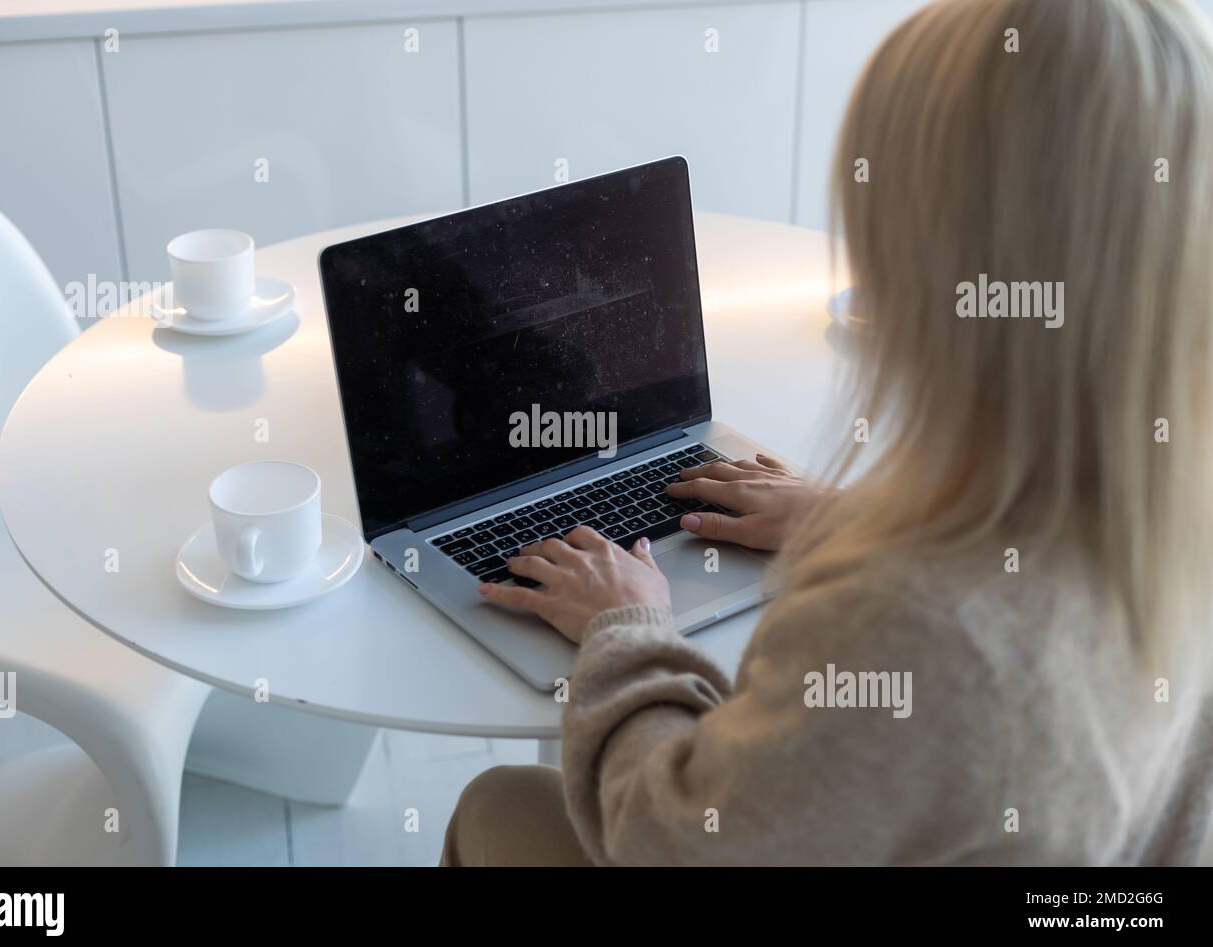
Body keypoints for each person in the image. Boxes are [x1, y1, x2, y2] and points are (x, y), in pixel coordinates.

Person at [442, 0, 1213, 866]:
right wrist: (859, 522)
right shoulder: (1171, 515)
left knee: (498, 803)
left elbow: (675, 840)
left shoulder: (910, 632)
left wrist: (627, 630)